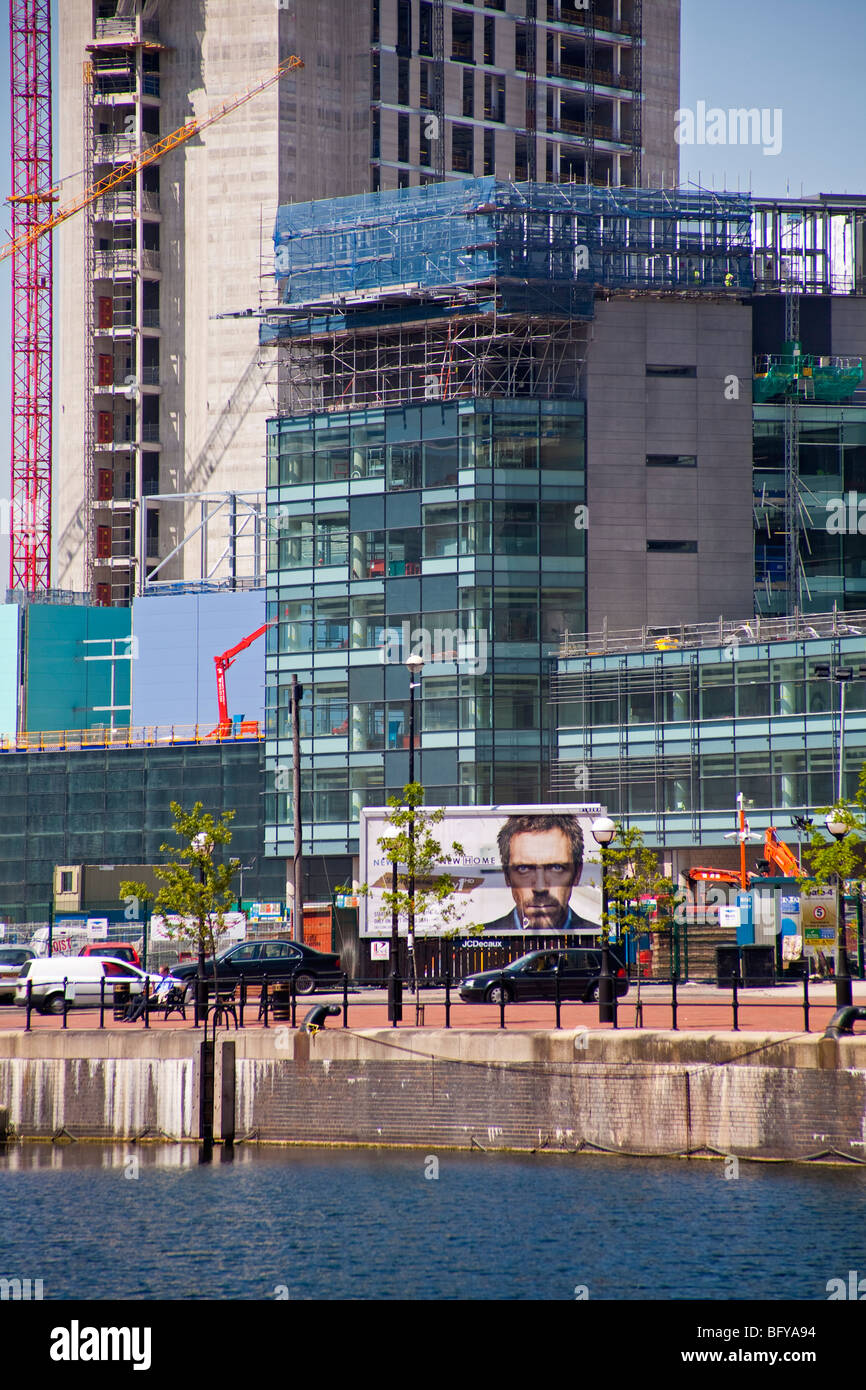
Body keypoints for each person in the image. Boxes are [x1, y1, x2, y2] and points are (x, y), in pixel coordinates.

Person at [481, 813, 596, 933]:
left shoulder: (599, 940)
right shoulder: (479, 937)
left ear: (577, 874)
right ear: (507, 876)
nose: (540, 888)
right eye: (524, 868)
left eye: (556, 868)